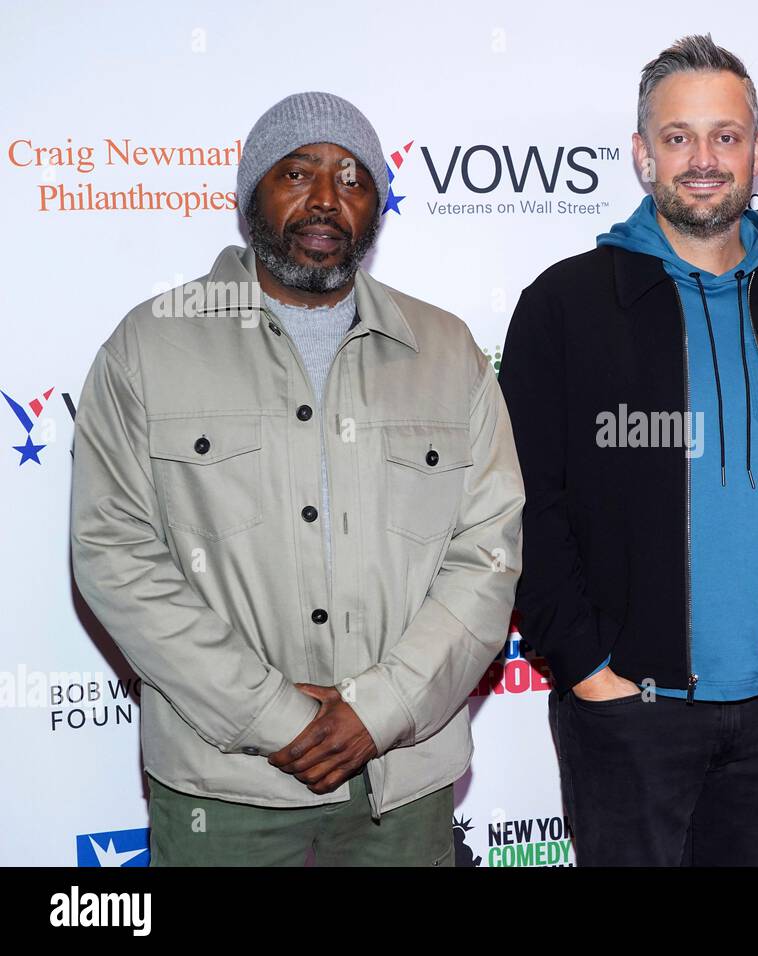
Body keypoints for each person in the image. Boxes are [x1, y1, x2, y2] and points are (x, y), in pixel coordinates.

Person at [69, 91, 524, 866]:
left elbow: (488, 553)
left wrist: (379, 711)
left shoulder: (450, 356)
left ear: (378, 204)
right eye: (297, 173)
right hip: (225, 784)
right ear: (251, 197)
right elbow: (114, 554)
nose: (325, 199)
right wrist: (273, 715)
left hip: (402, 784)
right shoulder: (148, 348)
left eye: (352, 180)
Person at [498, 35, 758, 866]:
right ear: (642, 154)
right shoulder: (566, 304)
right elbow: (526, 500)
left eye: (725, 136)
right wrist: (589, 668)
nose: (703, 160)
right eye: (678, 138)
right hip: (626, 707)